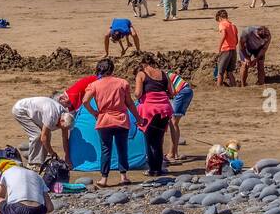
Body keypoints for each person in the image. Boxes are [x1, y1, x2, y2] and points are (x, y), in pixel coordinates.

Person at [82, 58, 141, 187]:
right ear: (112, 69)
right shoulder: (122, 83)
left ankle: (104, 179)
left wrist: (94, 113)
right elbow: (129, 103)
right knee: (122, 148)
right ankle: (123, 176)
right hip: (121, 120)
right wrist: (138, 118)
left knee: (106, 150)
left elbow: (85, 101)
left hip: (104, 120)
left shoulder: (94, 85)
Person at [133, 53, 174, 177]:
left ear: (143, 64)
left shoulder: (141, 74)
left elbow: (137, 93)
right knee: (158, 140)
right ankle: (158, 169)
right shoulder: (164, 74)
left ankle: (152, 169)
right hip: (164, 110)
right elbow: (172, 92)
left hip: (149, 110)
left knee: (150, 141)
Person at [10, 93, 73, 168]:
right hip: (20, 110)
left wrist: (67, 157)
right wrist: (52, 153)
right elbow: (43, 138)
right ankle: (33, 164)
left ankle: (40, 160)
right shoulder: (52, 116)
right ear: (61, 121)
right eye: (61, 127)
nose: (61, 129)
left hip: (34, 112)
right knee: (37, 135)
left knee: (46, 135)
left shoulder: (65, 117)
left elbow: (65, 139)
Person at [166, 67, 192, 164]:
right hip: (185, 91)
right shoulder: (162, 74)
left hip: (181, 91)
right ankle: (175, 152)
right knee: (174, 122)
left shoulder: (161, 76)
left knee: (173, 122)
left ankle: (172, 153)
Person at [215, 10, 239, 86]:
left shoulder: (222, 24)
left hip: (225, 50)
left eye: (218, 21)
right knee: (230, 72)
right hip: (233, 50)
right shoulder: (233, 25)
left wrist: (219, 47)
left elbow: (224, 35)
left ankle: (218, 89)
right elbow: (236, 40)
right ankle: (234, 87)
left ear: (220, 18)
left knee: (220, 72)